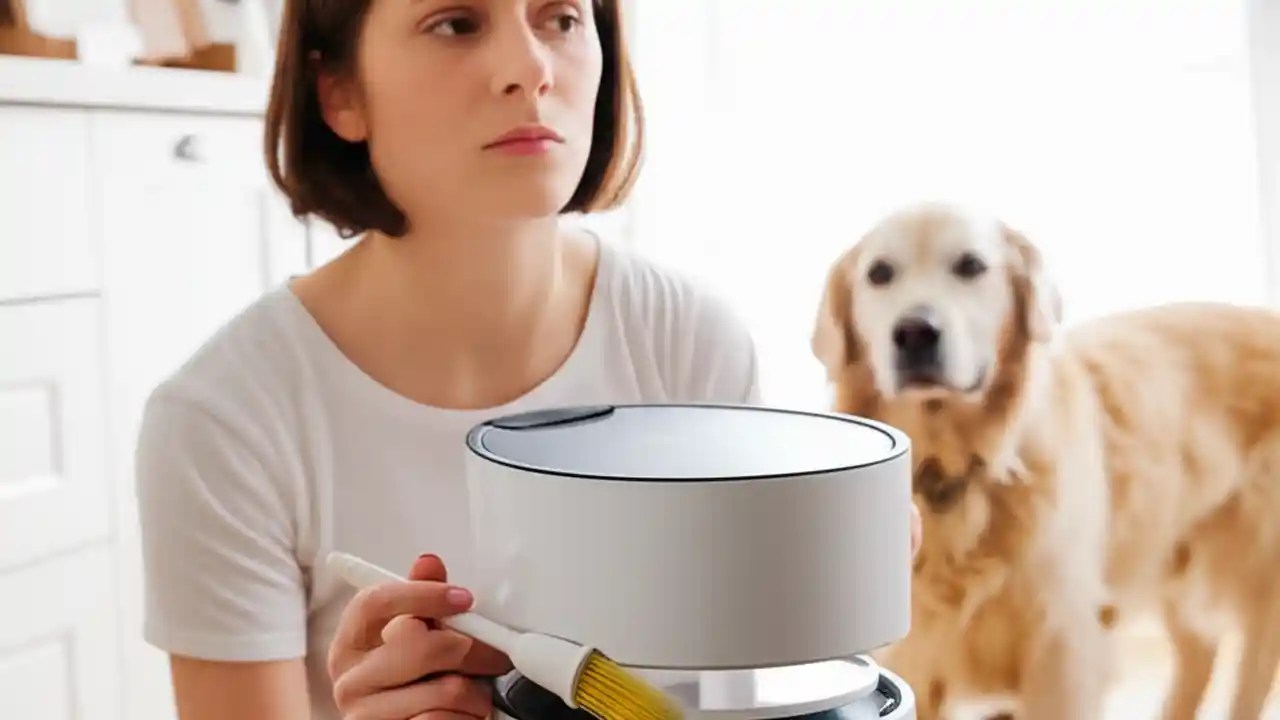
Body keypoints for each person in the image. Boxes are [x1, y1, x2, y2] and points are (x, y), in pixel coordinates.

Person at [134, 1, 924, 718]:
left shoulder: (687, 338)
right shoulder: (223, 422)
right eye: (455, 23)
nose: (531, 68)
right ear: (338, 92)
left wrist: (829, 588)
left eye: (561, 19)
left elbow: (743, 691)